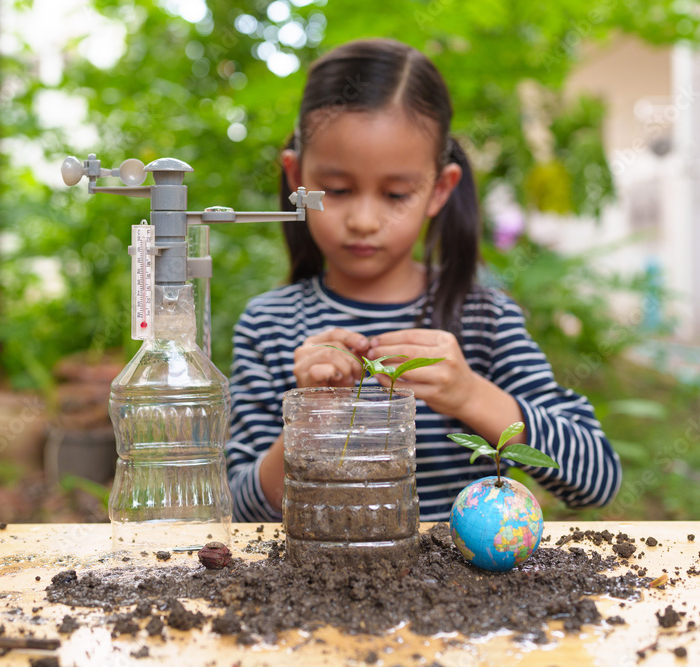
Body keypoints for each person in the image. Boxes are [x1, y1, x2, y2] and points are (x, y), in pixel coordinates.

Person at [226, 38, 621, 522]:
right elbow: (238, 511)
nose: (365, 220)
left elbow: (598, 478)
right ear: (296, 180)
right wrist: (309, 419)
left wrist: (471, 395)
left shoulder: (481, 319)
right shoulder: (270, 325)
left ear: (440, 190)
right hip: (317, 588)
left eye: (395, 194)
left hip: (459, 591)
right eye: (338, 189)